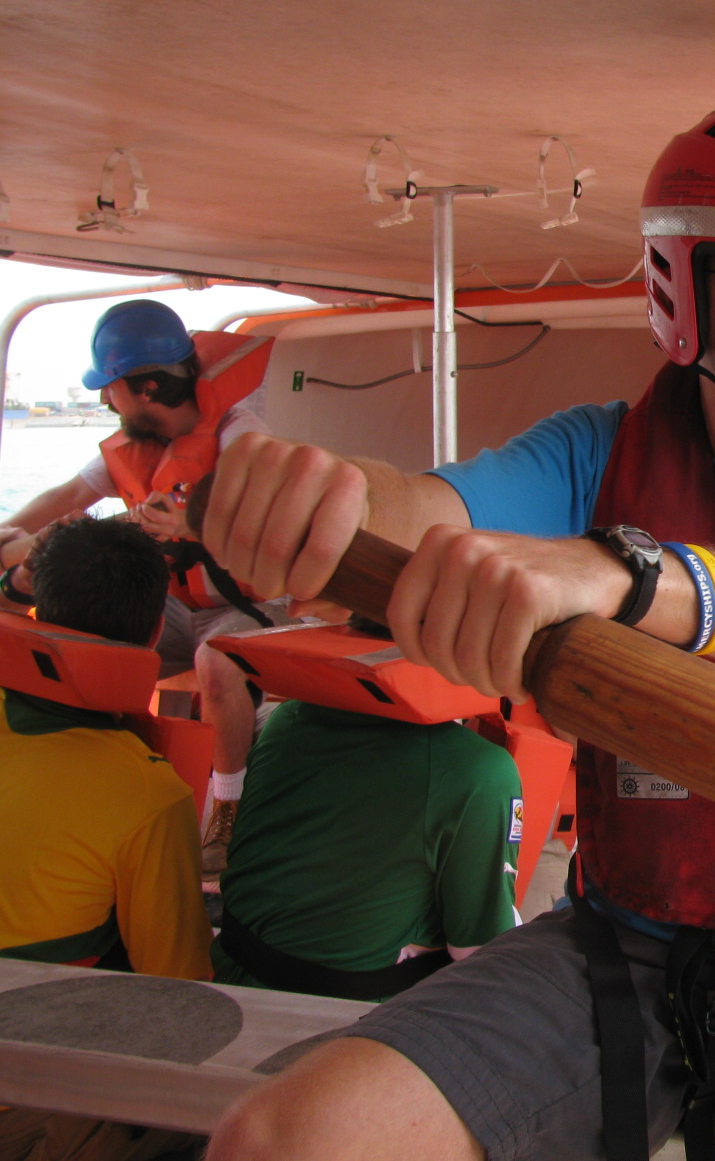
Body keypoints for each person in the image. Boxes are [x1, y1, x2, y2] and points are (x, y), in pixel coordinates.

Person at [204, 104, 715, 1161]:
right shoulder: (585, 459)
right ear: (681, 292)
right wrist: (328, 493)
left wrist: (628, 575)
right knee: (279, 1141)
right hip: (627, 942)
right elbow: (427, 512)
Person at [0, 299, 292, 884]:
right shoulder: (139, 446)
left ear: (149, 385)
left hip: (249, 607)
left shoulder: (241, 436)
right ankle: (100, 780)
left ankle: (225, 816)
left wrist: (191, 524)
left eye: (112, 388)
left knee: (219, 662)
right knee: (93, 641)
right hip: (176, 606)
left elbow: (271, 522)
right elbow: (62, 499)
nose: (106, 400)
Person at [209, 616, 523, 1001]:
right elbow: (478, 953)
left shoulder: (287, 720)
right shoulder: (477, 772)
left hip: (232, 984)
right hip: (346, 1024)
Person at [0, 516, 212, 979]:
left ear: (40, 607)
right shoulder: (151, 793)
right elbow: (179, 981)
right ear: (157, 632)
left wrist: (14, 584)